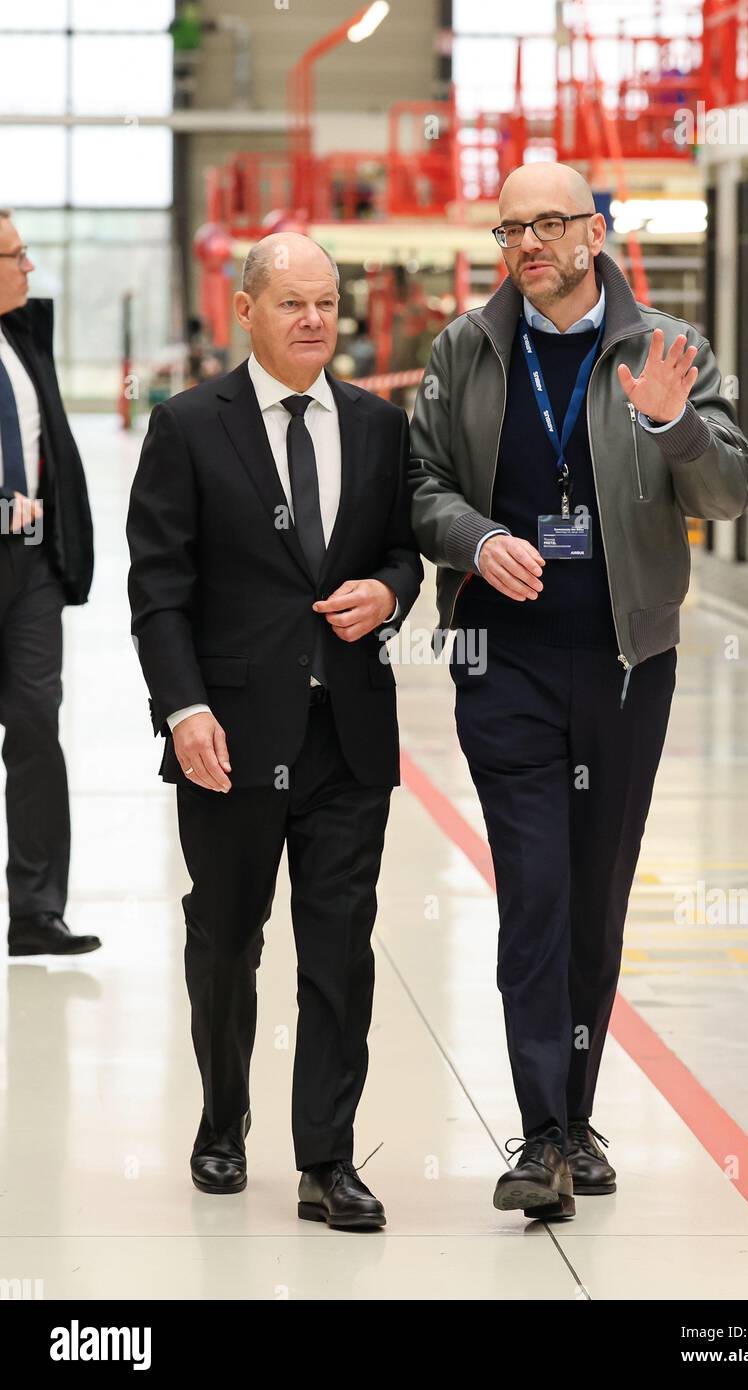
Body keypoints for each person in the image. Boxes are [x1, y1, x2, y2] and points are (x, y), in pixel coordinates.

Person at [408, 163, 748, 1219]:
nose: (526, 242)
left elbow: (731, 491)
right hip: (501, 661)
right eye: (510, 226)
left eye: (548, 223)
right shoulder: (465, 349)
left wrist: (670, 425)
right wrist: (475, 537)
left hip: (622, 664)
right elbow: (421, 486)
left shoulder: (669, 350)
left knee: (596, 894)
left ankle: (575, 1112)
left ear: (594, 233)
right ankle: (542, 1134)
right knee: (535, 886)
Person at [127, 233, 422, 1229]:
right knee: (226, 937)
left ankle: (327, 1158)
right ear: (242, 309)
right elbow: (157, 587)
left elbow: (400, 553)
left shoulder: (380, 428)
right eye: (290, 302)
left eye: (325, 304)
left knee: (338, 947)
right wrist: (183, 707)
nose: (310, 320)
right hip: (229, 736)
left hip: (346, 732)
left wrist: (387, 589)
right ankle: (221, 1121)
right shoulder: (186, 426)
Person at [0, 208, 97, 959]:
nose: (27, 267)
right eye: (16, 254)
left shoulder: (22, 342)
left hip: (28, 568)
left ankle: (36, 910)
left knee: (36, 726)